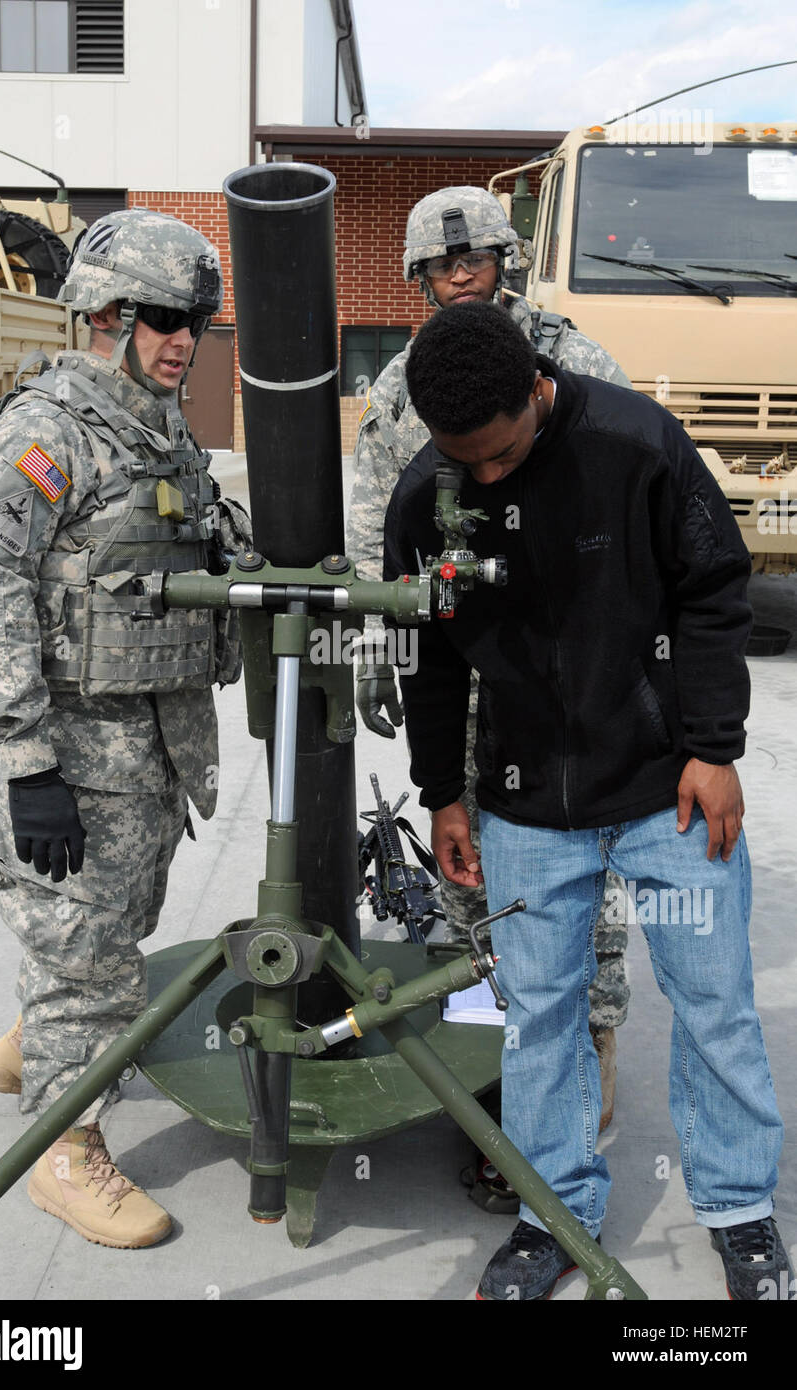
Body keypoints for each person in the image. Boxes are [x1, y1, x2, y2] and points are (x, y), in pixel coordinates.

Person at [383, 299, 790, 1301]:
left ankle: (738, 1211)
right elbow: (427, 657)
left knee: (713, 1007)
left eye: (501, 452)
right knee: (537, 1018)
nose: (483, 474)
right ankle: (548, 1212)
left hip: (667, 792)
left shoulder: (634, 443)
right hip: (521, 807)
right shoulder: (423, 493)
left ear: (537, 389)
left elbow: (713, 589)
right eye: (460, 457)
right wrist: (441, 793)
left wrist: (711, 748)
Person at [0, 208, 247, 1249]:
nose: (181, 341)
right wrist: (27, 763)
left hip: (155, 749)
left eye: (194, 322)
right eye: (162, 319)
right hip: (74, 756)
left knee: (113, 934)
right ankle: (64, 1153)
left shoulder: (158, 427)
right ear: (103, 314)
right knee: (86, 948)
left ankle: (35, 1038)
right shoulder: (46, 428)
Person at [346, 186, 630, 1146]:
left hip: (567, 673)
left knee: (579, 884)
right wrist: (375, 643)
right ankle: (493, 1099)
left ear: (504, 260)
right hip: (456, 661)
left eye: (473, 260)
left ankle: (582, 1089)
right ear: (420, 279)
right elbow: (376, 521)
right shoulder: (398, 387)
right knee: (472, 884)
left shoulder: (575, 358)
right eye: (440, 264)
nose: (459, 275)